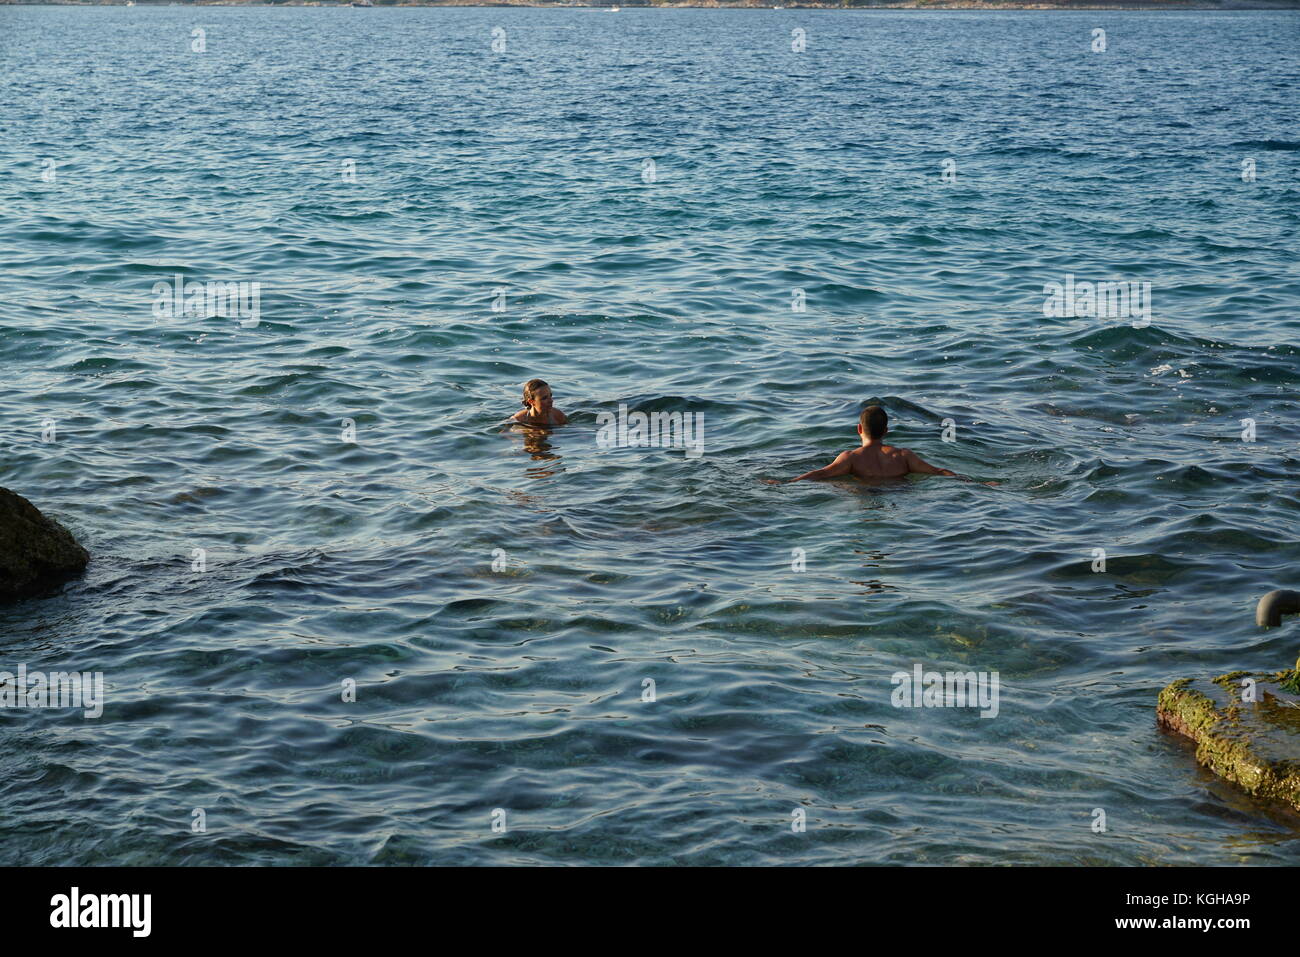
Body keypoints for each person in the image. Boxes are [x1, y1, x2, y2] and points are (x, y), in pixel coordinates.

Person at [786, 405, 957, 482]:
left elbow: (821, 474)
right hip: (898, 497)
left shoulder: (851, 458)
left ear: (859, 429)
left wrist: (788, 482)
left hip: (865, 495)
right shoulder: (904, 456)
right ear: (886, 431)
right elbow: (939, 472)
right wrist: (973, 483)